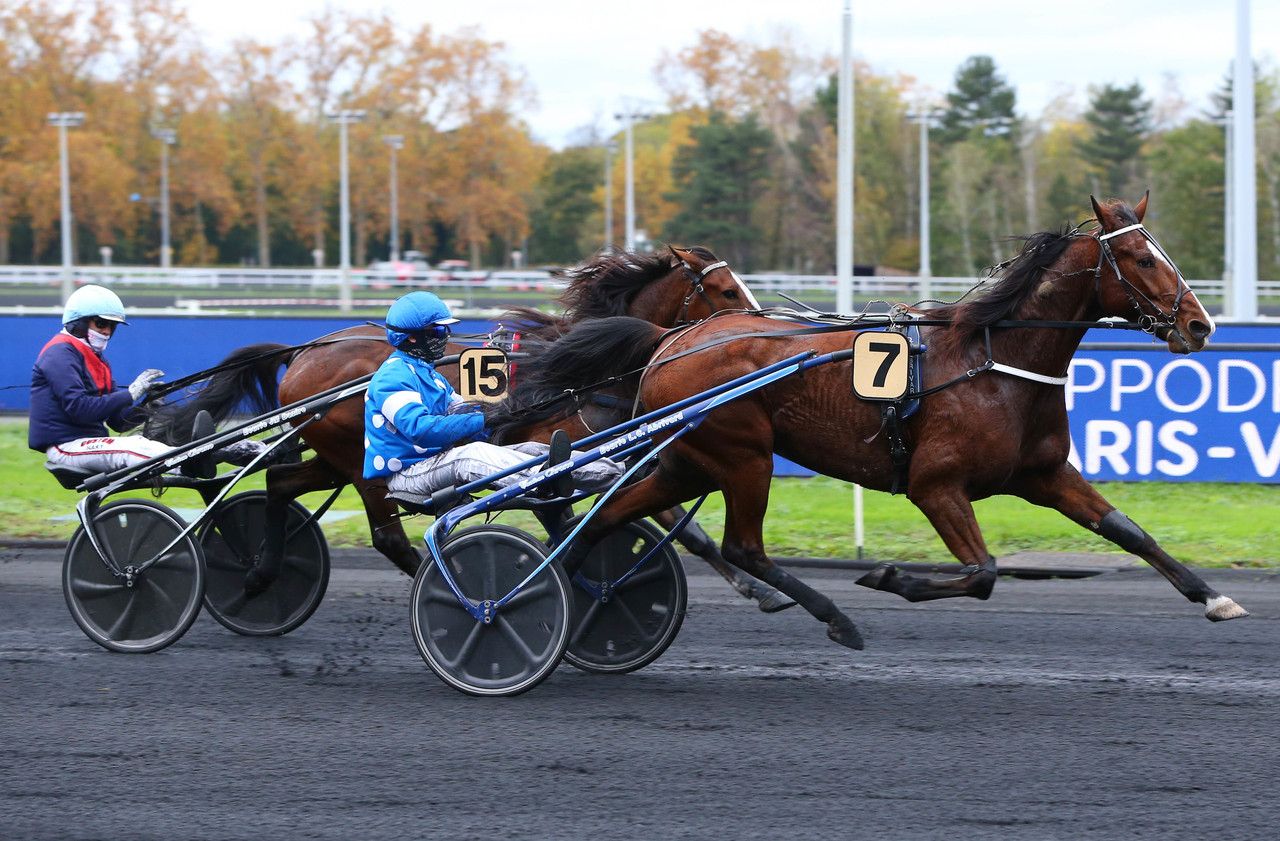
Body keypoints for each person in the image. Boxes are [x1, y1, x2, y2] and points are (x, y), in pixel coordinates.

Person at [364, 291, 621, 500]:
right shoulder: (392, 377)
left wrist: (505, 412)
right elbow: (421, 429)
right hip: (409, 473)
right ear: (410, 339)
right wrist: (481, 420)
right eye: (440, 332)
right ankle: (544, 479)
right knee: (471, 455)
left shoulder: (431, 376)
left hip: (433, 462)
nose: (447, 337)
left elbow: (462, 411)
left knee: (530, 448)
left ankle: (618, 472)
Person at [30, 284, 262, 475]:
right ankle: (193, 461)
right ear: (78, 322)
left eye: (111, 326)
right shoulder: (59, 353)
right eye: (101, 323)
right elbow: (80, 409)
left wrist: (146, 405)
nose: (107, 331)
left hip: (86, 443)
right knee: (136, 447)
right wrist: (130, 393)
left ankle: (231, 451)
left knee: (145, 443)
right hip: (65, 446)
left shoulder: (97, 359)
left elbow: (118, 423)